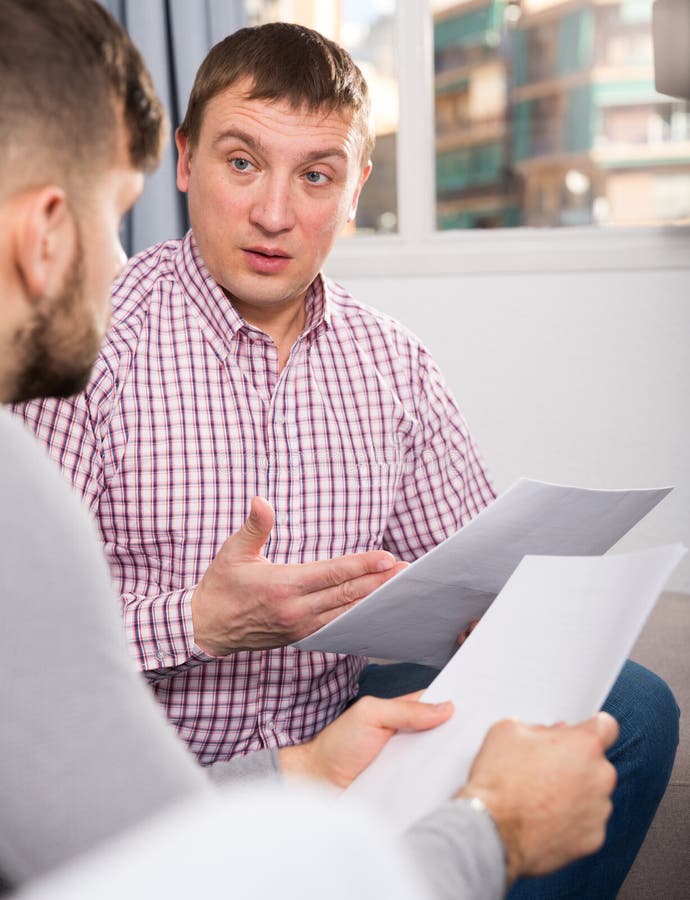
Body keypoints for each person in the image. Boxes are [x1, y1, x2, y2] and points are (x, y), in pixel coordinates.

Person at [13, 13, 678, 900]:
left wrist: (500, 621)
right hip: (157, 781)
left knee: (631, 708)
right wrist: (201, 620)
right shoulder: (83, 339)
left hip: (346, 736)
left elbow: (474, 572)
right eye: (242, 162)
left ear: (356, 187)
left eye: (316, 176)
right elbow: (29, 657)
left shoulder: (392, 361)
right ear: (184, 160)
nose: (275, 213)